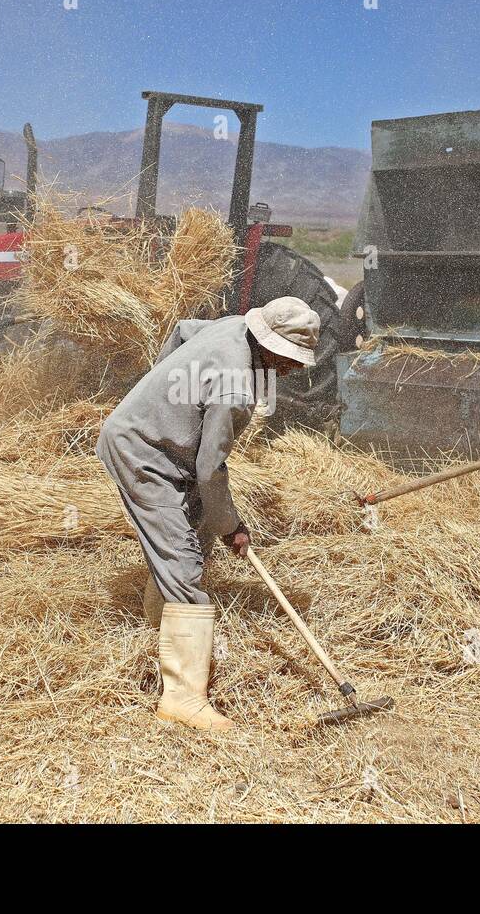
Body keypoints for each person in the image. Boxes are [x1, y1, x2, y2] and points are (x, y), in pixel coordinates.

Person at [97, 297, 320, 731]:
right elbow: (210, 468)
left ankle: (161, 624)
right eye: (291, 360)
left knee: (192, 534)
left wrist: (160, 390)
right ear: (268, 344)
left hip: (166, 444)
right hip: (142, 453)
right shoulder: (236, 388)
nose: (293, 370)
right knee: (182, 558)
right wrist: (231, 525)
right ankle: (183, 698)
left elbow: (182, 328)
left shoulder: (234, 326)